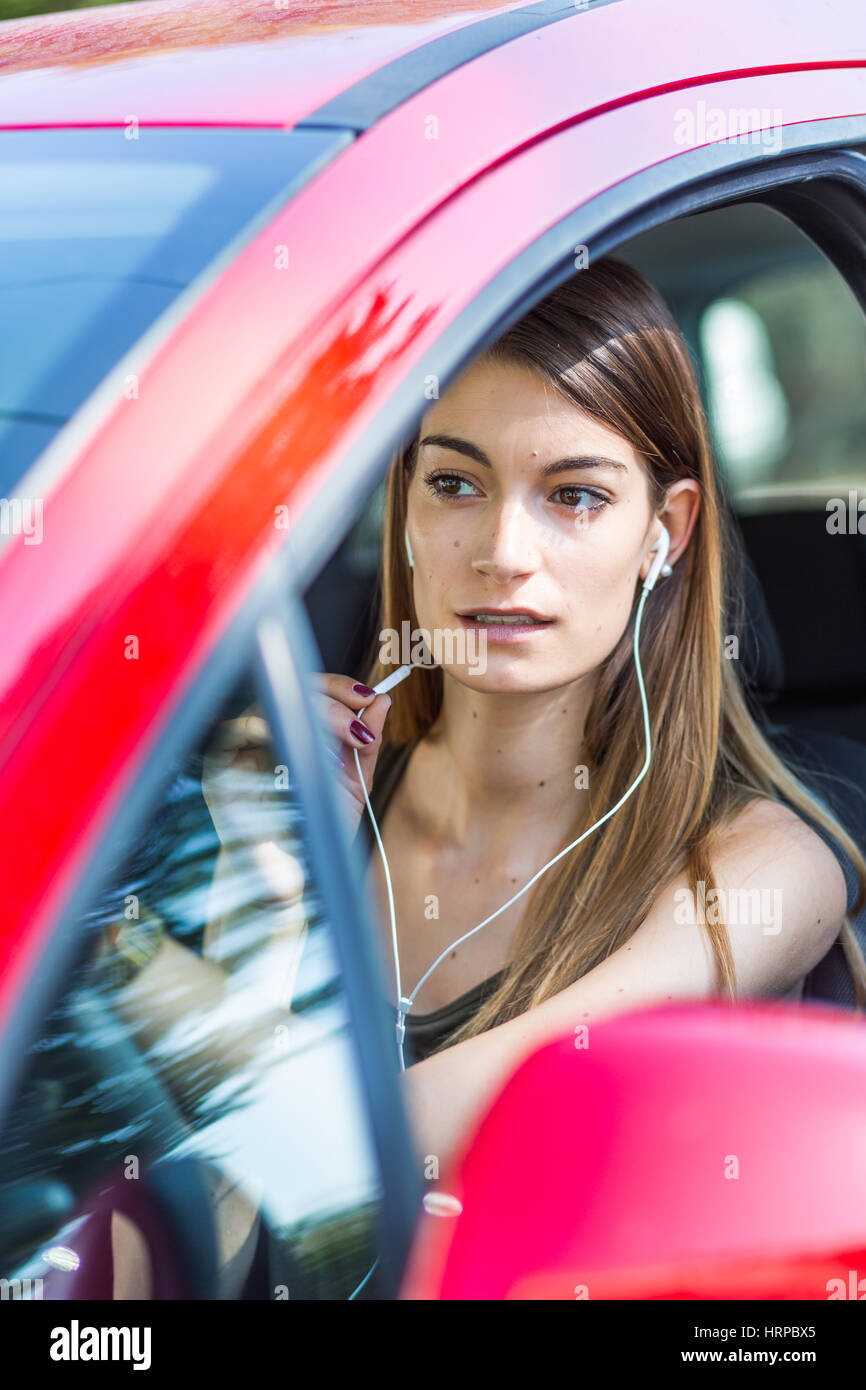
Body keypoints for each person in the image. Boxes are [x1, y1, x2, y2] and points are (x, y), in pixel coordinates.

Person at [312, 255, 866, 1172]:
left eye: (574, 496)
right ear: (402, 502)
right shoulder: (320, 795)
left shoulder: (763, 864)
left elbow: (346, 1158)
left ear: (666, 532)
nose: (502, 553)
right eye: (455, 483)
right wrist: (268, 871)